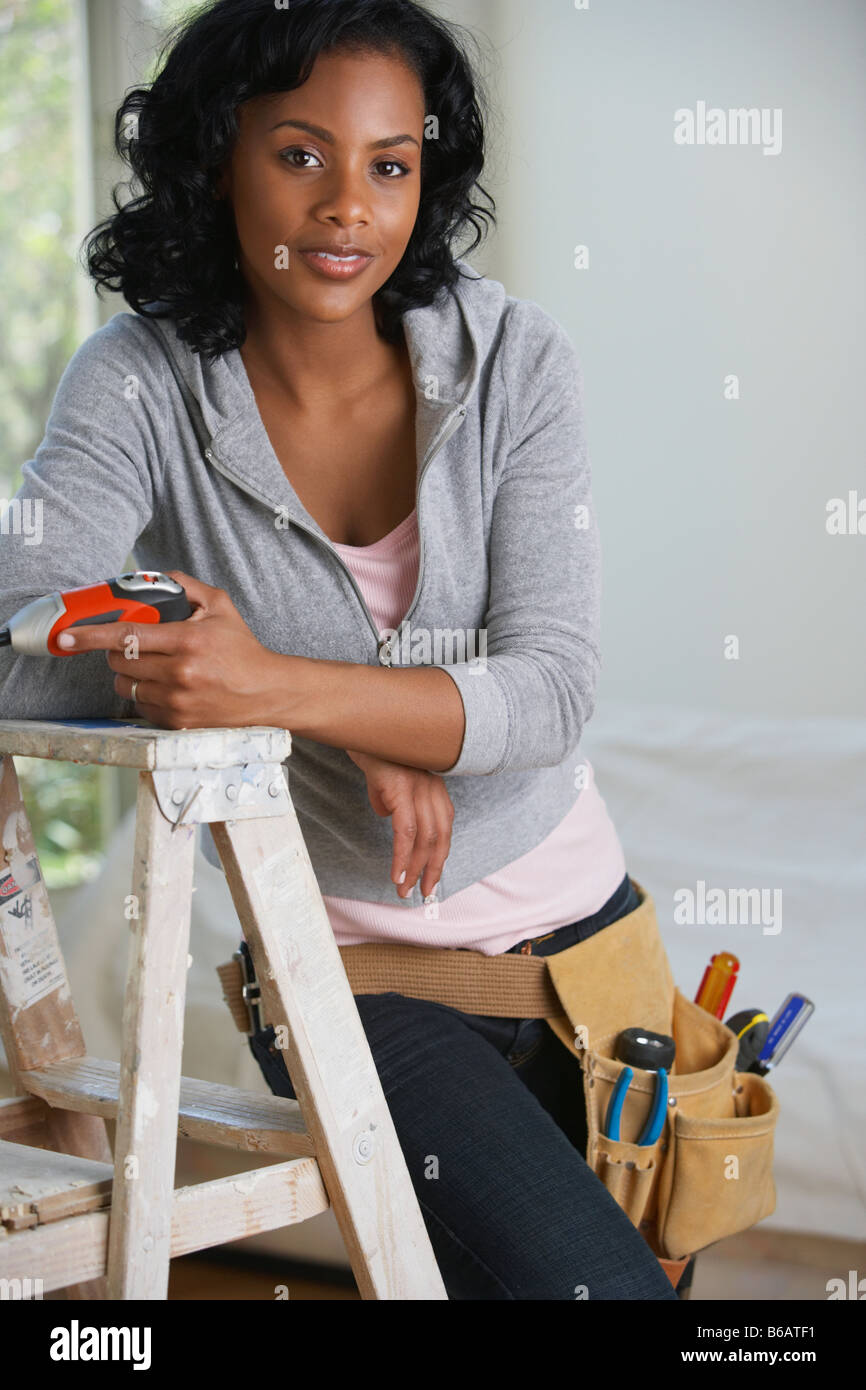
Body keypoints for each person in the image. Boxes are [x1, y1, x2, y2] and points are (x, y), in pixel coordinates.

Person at [0, 0, 677, 1300]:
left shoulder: (515, 360)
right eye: (300, 153)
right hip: (352, 975)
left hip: (590, 954)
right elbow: (16, 638)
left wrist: (299, 690)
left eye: (390, 164)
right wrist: (291, 698)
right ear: (218, 157)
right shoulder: (137, 381)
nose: (348, 207)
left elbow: (550, 690)